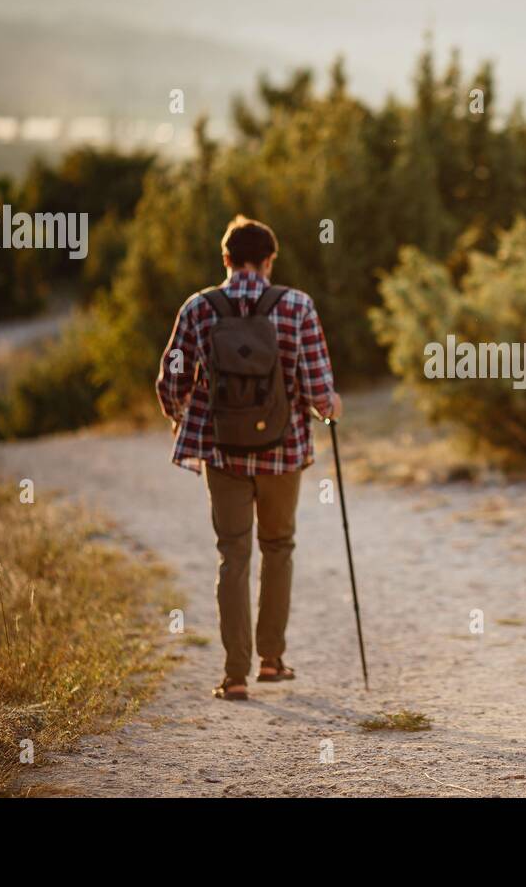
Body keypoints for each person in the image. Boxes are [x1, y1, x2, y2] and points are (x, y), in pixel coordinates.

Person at [156, 215, 342, 701]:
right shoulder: (297, 306)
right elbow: (320, 390)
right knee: (277, 547)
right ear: (269, 261)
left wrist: (179, 419)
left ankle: (234, 674)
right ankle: (272, 660)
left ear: (225, 259)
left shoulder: (198, 308)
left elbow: (171, 378)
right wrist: (329, 406)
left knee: (231, 554)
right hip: (283, 450)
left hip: (222, 449)